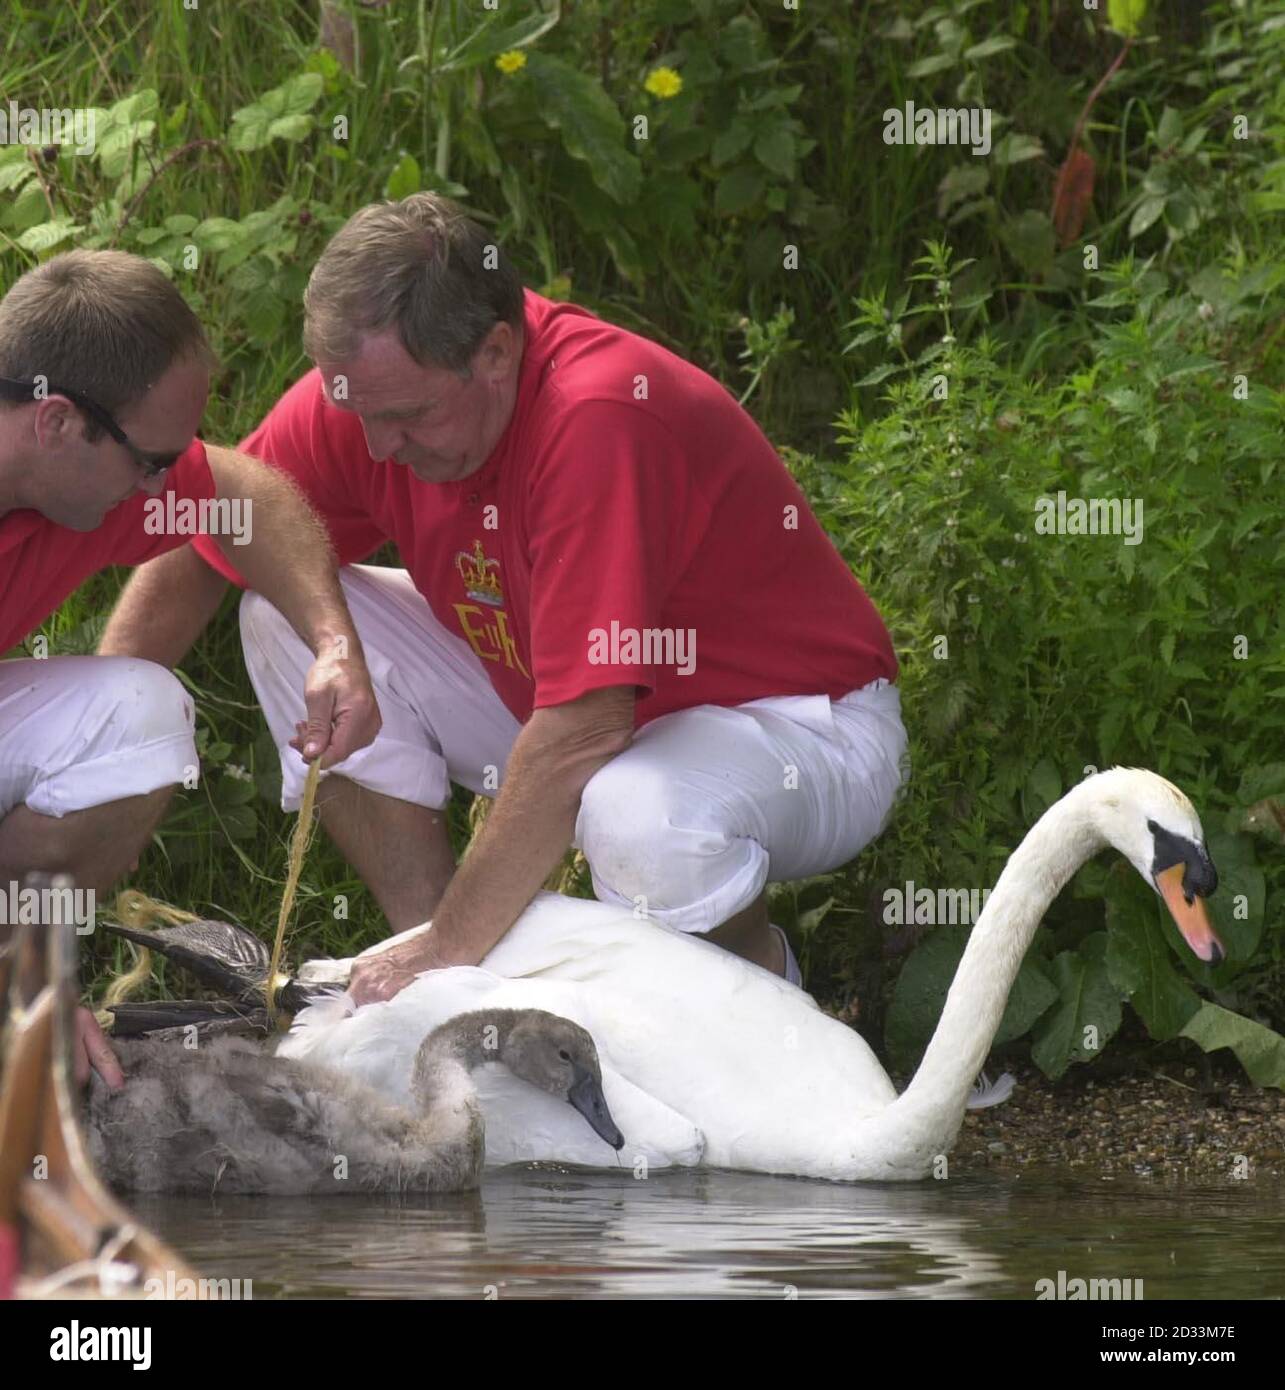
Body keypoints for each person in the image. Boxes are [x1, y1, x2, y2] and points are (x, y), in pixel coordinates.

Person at [105, 194, 908, 1006]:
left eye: (405, 416)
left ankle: (764, 996)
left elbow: (583, 731)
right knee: (285, 615)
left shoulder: (596, 415)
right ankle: (456, 1001)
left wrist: (449, 944)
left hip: (797, 727)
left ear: (495, 351)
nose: (377, 447)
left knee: (635, 820)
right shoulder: (380, 394)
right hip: (571, 705)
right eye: (355, 412)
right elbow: (220, 529)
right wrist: (101, 747)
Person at [0, 249, 381, 1083]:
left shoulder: (79, 477)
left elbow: (249, 496)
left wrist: (332, 643)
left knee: (139, 712)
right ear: (56, 421)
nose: (163, 488)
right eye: (152, 463)